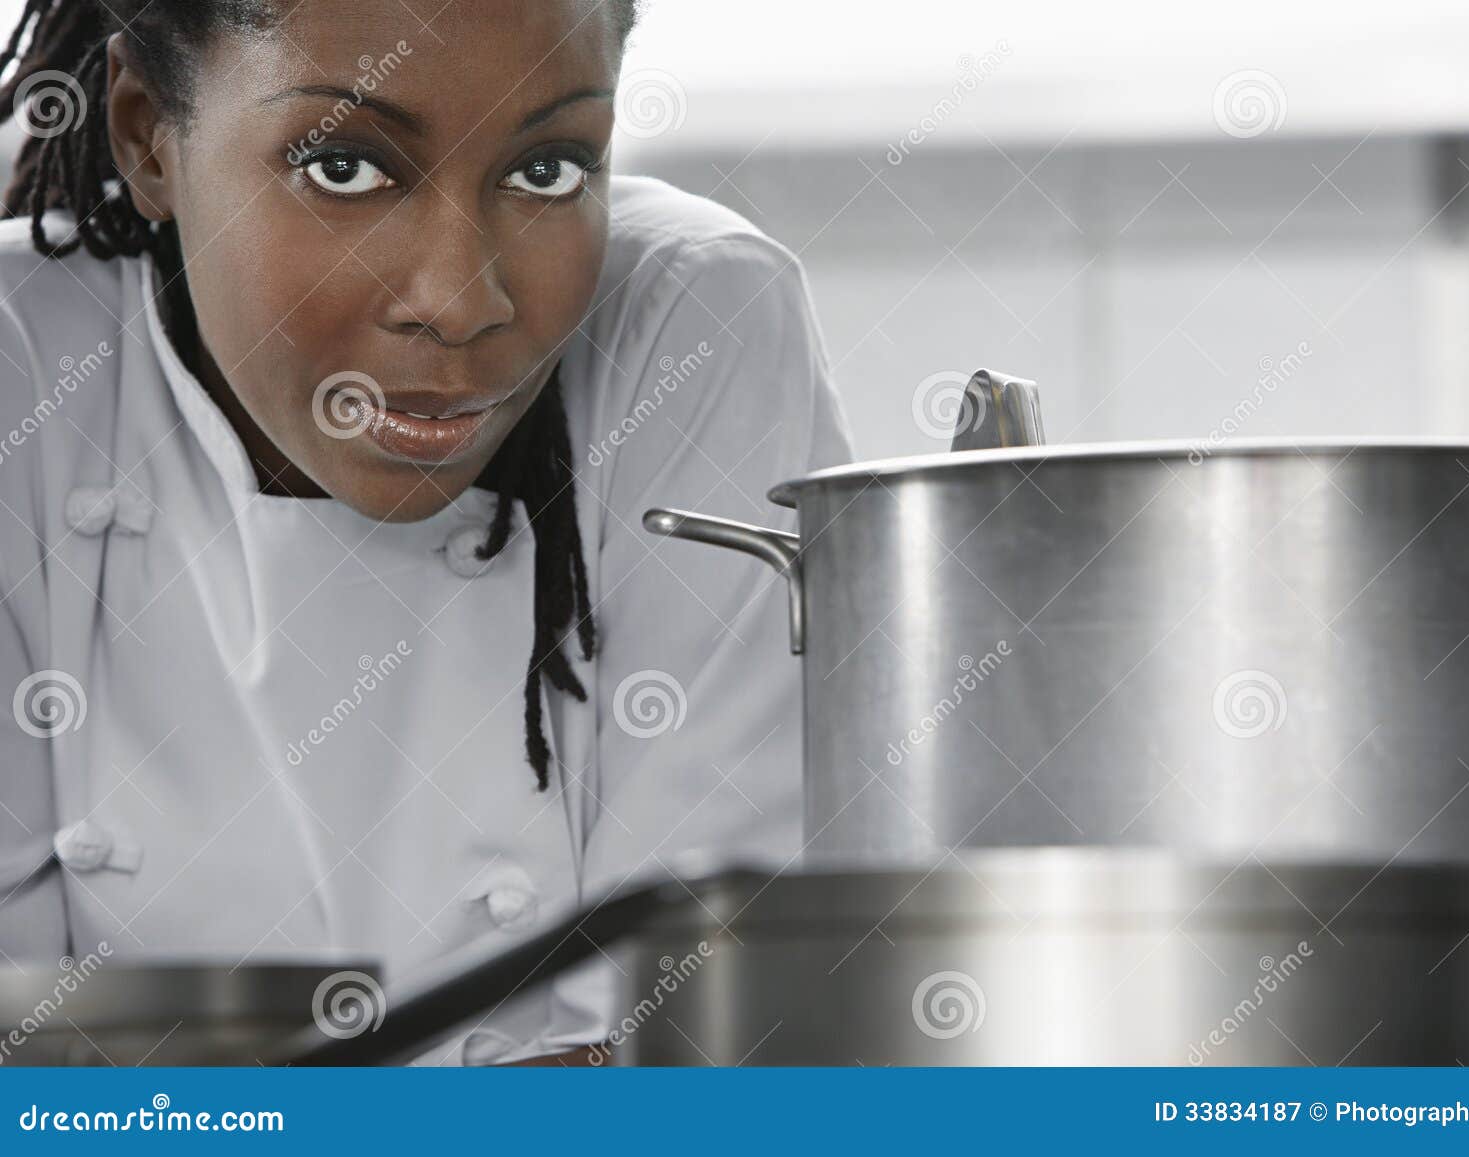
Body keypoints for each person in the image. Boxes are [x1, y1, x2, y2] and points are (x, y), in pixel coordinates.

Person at [0, 0, 852, 1064]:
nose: (459, 300)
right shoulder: (21, 362)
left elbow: (720, 1029)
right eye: (345, 168)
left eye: (546, 169)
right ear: (145, 135)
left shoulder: (691, 319)